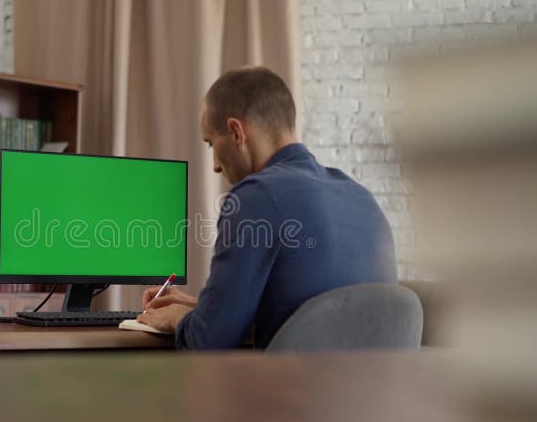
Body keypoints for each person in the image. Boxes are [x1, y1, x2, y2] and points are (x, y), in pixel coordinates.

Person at [136, 67, 397, 350]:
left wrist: (180, 319)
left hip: (289, 390)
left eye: (211, 143)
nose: (215, 165)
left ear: (236, 132)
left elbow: (209, 343)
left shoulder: (255, 197)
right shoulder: (362, 197)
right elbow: (316, 317)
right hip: (372, 390)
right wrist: (204, 309)